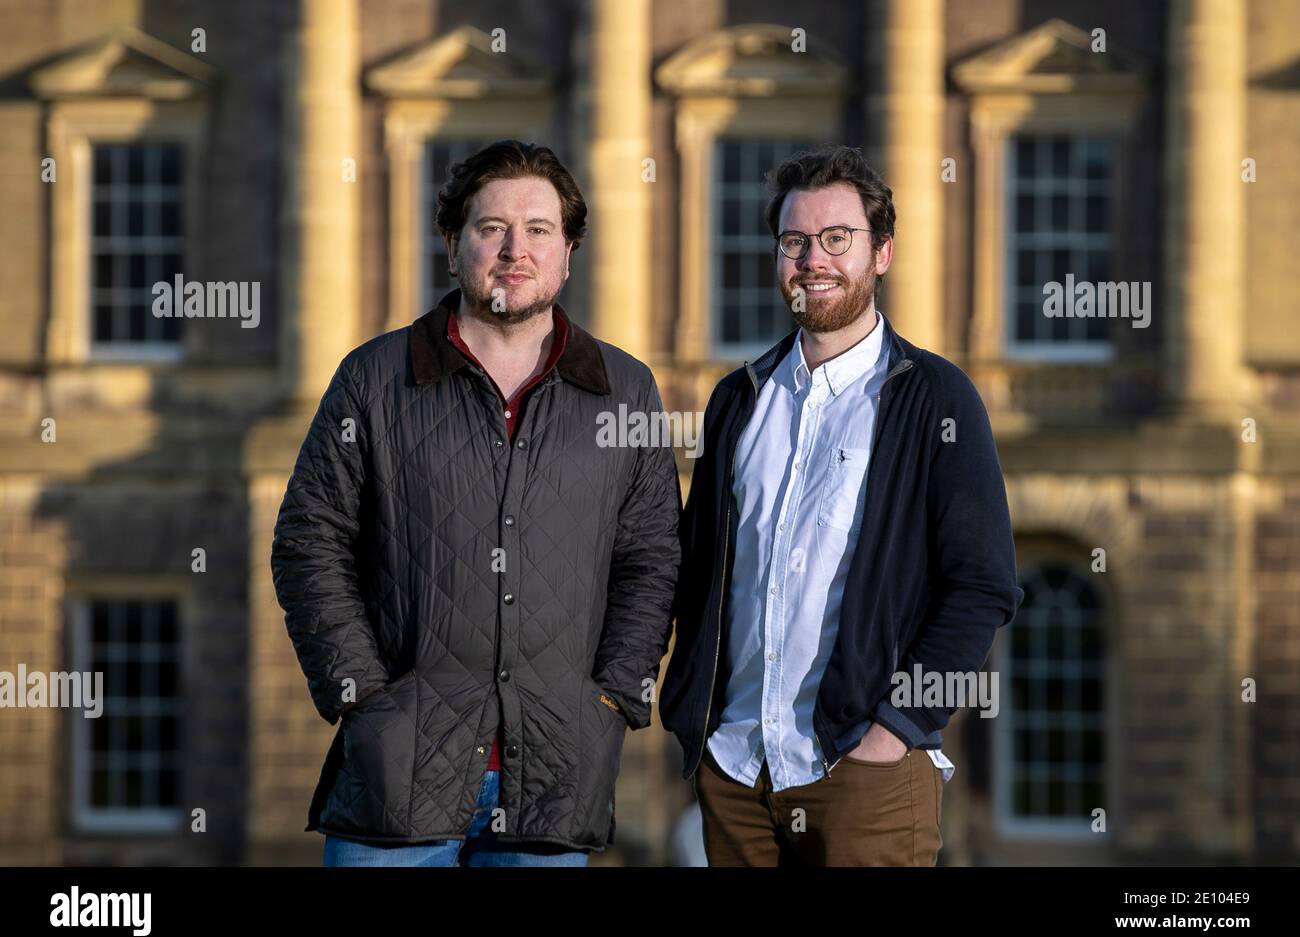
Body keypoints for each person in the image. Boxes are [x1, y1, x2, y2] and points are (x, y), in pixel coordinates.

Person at [271, 140, 681, 866]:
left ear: (568, 252)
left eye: (538, 230)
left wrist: (615, 695)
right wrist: (362, 696)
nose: (513, 249)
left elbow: (650, 559)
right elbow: (311, 540)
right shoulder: (373, 378)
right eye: (492, 228)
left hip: (553, 786)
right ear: (455, 244)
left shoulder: (626, 389)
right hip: (395, 786)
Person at [661, 144, 1023, 866]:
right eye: (794, 241)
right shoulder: (738, 400)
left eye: (837, 239)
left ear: (881, 252)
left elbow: (982, 588)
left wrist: (897, 729)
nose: (813, 259)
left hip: (864, 774)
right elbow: (697, 573)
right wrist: (692, 726)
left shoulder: (935, 399)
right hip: (736, 771)